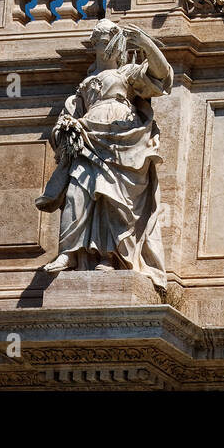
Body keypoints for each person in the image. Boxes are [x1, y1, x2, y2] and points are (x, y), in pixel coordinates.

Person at [35, 20, 172, 289]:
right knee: (76, 195)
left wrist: (145, 43)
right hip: (87, 139)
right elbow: (63, 124)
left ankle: (110, 257)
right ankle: (69, 252)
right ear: (95, 45)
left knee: (114, 200)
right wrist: (66, 129)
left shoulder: (127, 74)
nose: (107, 47)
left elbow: (161, 77)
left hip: (121, 141)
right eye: (101, 41)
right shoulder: (84, 84)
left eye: (111, 41)